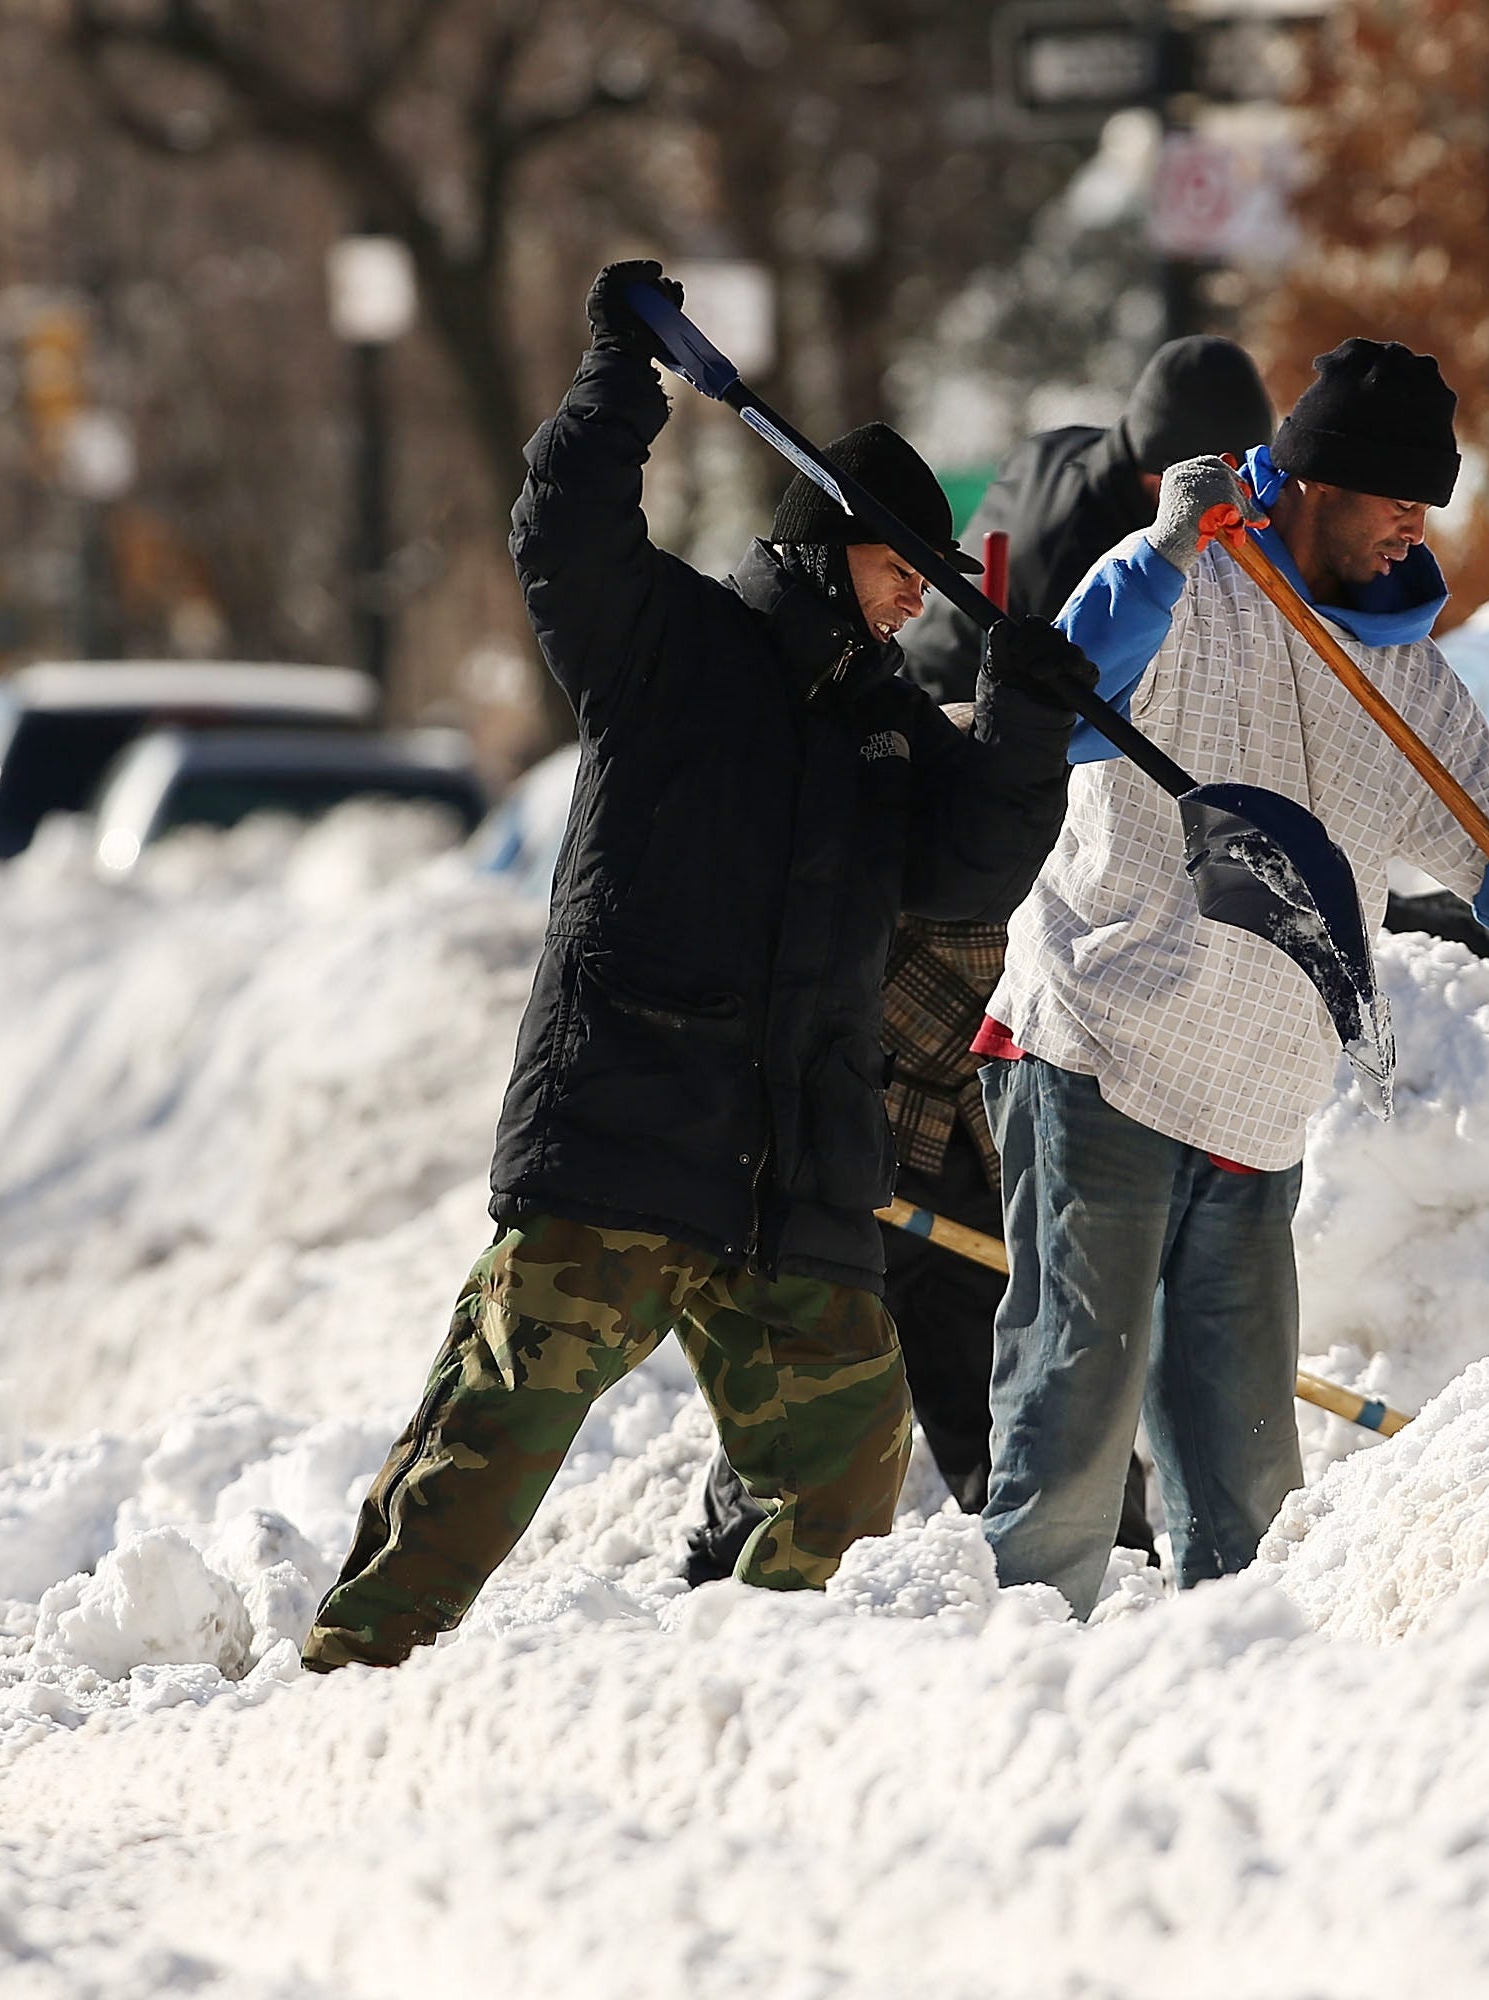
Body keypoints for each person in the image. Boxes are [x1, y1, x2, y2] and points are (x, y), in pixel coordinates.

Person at [301, 260, 1095, 1672]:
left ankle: (734, 1679)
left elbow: (967, 871)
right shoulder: (673, 648)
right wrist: (619, 375)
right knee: (494, 1435)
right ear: (824, 543)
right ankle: (353, 1670)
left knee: (847, 1454)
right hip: (630, 1132)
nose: (916, 599)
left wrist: (1027, 731)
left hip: (793, 1170)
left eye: (930, 578)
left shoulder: (885, 729)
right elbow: (561, 533)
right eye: (898, 566)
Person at [975, 338, 1489, 1617]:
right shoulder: (1194, 588)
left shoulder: (1406, 673)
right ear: (1310, 483)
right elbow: (1058, 708)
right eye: (1392, 499)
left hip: (1257, 1106)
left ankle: (1244, 1699)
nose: (1412, 531)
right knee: (1069, 1428)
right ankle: (1021, 1697)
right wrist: (1162, 550)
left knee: (1250, 1487)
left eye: (1424, 507)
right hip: (1102, 1049)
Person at [684, 884, 1157, 1583]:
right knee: (810, 1391)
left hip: (999, 1120)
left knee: (1035, 1397)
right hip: (850, 1116)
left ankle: (1096, 1580)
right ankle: (735, 1585)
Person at [899, 336, 1275, 703]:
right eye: (1219, 490)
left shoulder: (1067, 446)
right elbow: (1062, 717)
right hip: (946, 703)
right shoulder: (1075, 550)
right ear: (1171, 478)